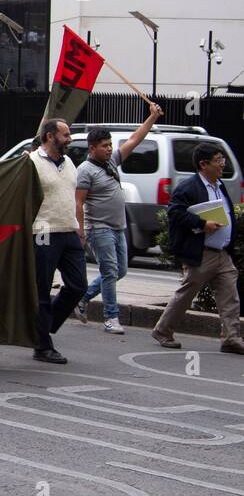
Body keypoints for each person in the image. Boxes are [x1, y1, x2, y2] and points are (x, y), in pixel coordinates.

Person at [75, 105, 162, 334]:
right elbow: (78, 203)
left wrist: (152, 117)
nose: (109, 148)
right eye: (104, 146)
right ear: (92, 148)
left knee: (119, 271)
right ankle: (111, 317)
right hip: (99, 228)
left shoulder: (112, 160)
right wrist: (81, 232)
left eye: (110, 144)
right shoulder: (85, 170)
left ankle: (82, 298)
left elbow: (135, 139)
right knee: (110, 271)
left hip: (118, 227)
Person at [152, 142, 244, 354]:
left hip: (222, 253)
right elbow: (175, 213)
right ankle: (163, 330)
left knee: (230, 296)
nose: (222, 164)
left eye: (222, 160)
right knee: (186, 294)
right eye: (218, 161)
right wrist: (203, 224)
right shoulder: (188, 187)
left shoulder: (218, 185)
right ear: (204, 164)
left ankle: (231, 338)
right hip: (201, 253)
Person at [29, 118, 85, 365]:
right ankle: (42, 346)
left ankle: (44, 325)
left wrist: (80, 230)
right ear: (50, 136)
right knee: (42, 290)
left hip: (69, 231)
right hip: (43, 231)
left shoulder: (70, 162)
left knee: (78, 286)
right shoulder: (31, 162)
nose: (69, 139)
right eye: (65, 135)